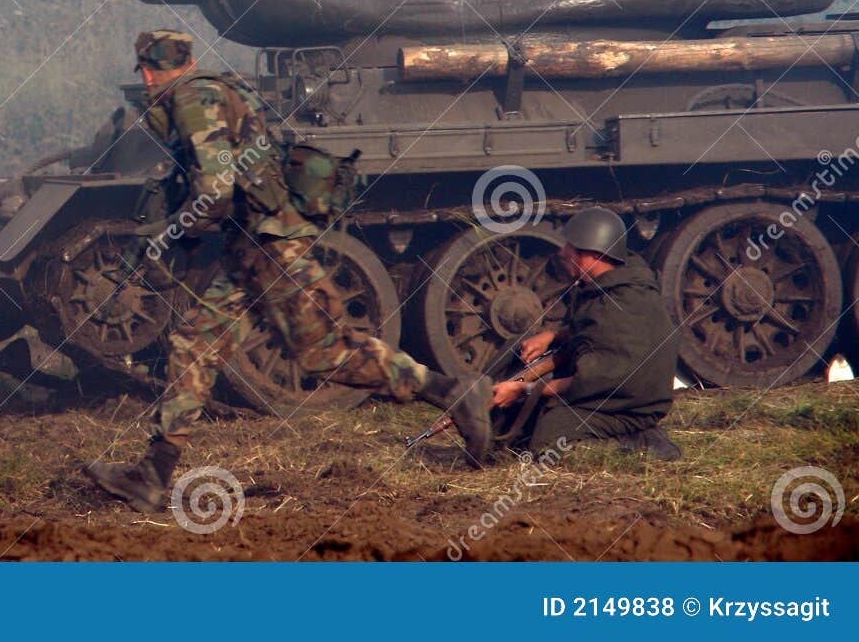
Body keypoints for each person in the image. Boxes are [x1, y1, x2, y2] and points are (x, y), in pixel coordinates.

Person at [84, 30, 493, 513]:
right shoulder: (211, 89)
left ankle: (450, 390)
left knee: (323, 352)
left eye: (147, 74)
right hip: (250, 247)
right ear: (189, 60)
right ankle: (152, 475)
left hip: (272, 247)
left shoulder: (193, 100)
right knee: (195, 344)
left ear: (148, 72)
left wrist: (174, 230)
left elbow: (214, 189)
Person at [491, 206, 681, 460]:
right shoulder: (613, 283)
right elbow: (594, 330)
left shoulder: (618, 304)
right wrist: (553, 336)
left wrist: (523, 390)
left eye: (570, 247)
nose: (563, 252)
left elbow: (586, 380)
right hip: (610, 387)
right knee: (520, 363)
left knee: (549, 440)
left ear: (590, 255)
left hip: (628, 406)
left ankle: (642, 442)